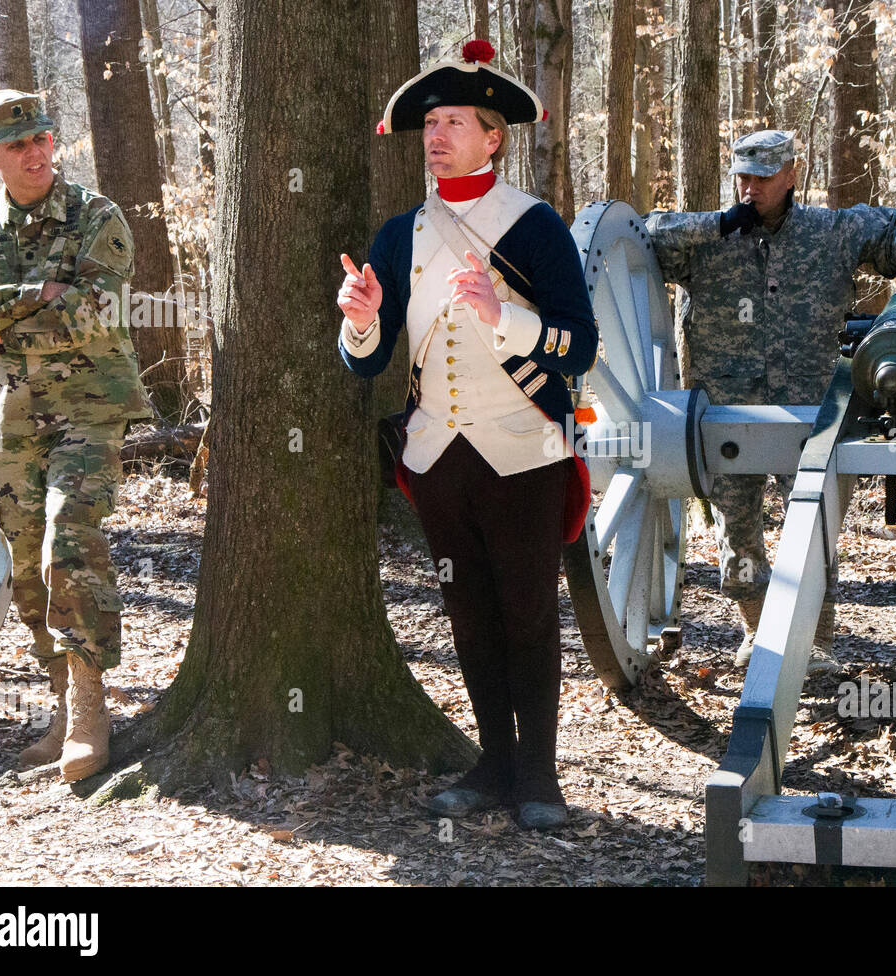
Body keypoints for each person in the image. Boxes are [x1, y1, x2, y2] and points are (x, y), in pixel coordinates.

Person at [337, 42, 598, 831]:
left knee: (528, 612)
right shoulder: (397, 234)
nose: (437, 134)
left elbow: (579, 345)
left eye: (455, 121)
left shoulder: (535, 226)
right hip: (436, 460)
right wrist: (358, 321)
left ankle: (541, 777)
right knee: (468, 611)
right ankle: (491, 764)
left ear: (494, 137)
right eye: (430, 123)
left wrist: (504, 319)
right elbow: (371, 360)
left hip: (523, 452)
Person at [645, 130, 896, 669]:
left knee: (815, 528)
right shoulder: (711, 236)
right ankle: (755, 633)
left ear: (792, 174)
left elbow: (893, 230)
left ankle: (817, 642)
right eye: (742, 175)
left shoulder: (828, 232)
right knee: (737, 532)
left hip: (810, 412)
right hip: (726, 413)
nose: (750, 187)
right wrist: (717, 224)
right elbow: (648, 238)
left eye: (763, 177)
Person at [0, 90, 152, 781]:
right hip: (8, 416)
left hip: (88, 406)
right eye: (18, 146)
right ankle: (60, 703)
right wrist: (40, 293)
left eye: (42, 139)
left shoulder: (98, 217)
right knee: (27, 560)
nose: (35, 154)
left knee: (70, 540)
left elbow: (95, 316)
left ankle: (93, 708)